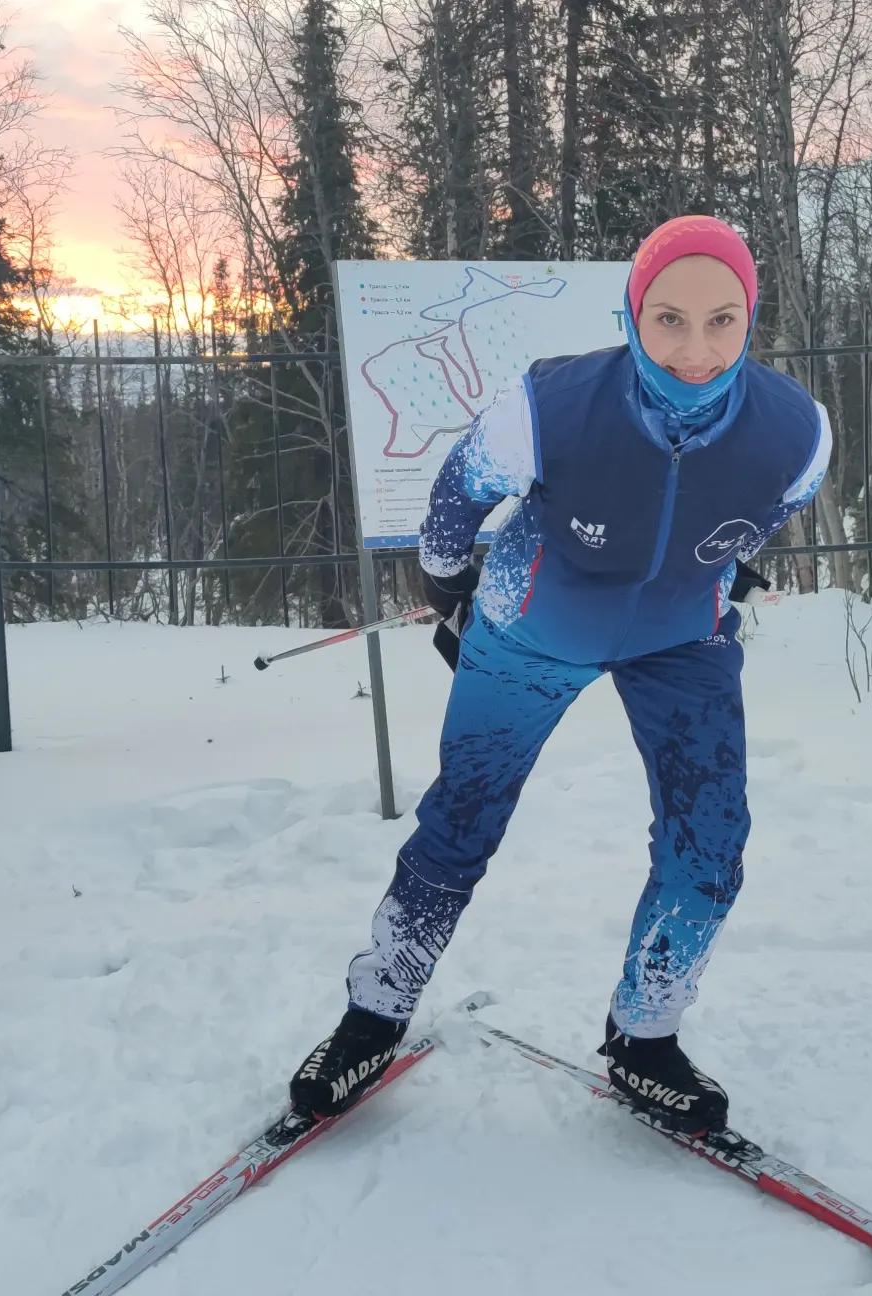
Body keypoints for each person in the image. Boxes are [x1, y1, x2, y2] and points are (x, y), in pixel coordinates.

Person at [290, 215, 831, 1136]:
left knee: (711, 842)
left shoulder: (797, 432)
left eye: (721, 320)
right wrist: (453, 592)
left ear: (751, 319)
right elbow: (457, 497)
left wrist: (719, 571)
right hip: (532, 626)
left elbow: (765, 516)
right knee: (462, 819)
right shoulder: (548, 407)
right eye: (668, 319)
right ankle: (373, 1015)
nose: (695, 349)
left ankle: (645, 1036)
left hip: (679, 640)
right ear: (631, 315)